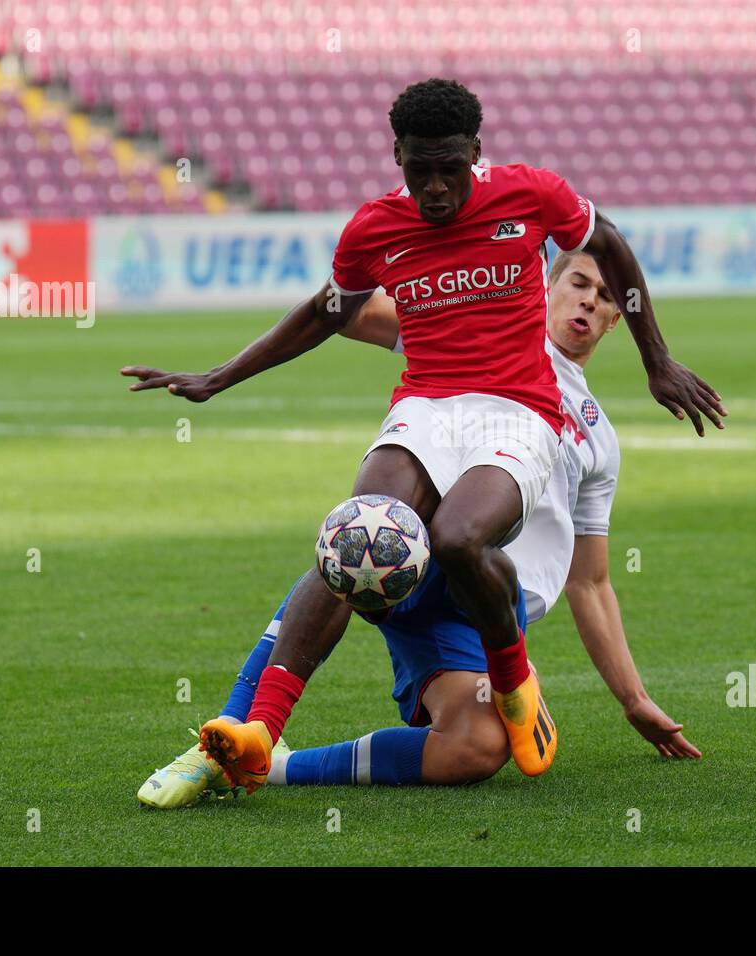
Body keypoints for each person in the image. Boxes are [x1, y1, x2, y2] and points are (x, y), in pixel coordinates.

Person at [122, 78, 724, 788]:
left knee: (458, 537)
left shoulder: (531, 196)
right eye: (419, 169)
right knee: (356, 532)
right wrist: (219, 376)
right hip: (428, 407)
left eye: (450, 168)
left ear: (476, 152)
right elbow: (328, 311)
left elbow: (611, 244)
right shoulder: (376, 227)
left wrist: (657, 360)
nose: (436, 188)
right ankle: (254, 737)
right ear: (397, 155)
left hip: (516, 410)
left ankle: (512, 681)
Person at [139, 250, 702, 807]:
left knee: (476, 750)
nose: (588, 300)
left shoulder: (599, 441)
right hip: (422, 559)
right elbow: (347, 313)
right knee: (361, 536)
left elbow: (591, 582)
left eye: (605, 297)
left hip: (486, 608)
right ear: (547, 286)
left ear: (615, 319)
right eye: (579, 283)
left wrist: (633, 699)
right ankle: (225, 739)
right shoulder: (477, 333)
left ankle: (272, 766)